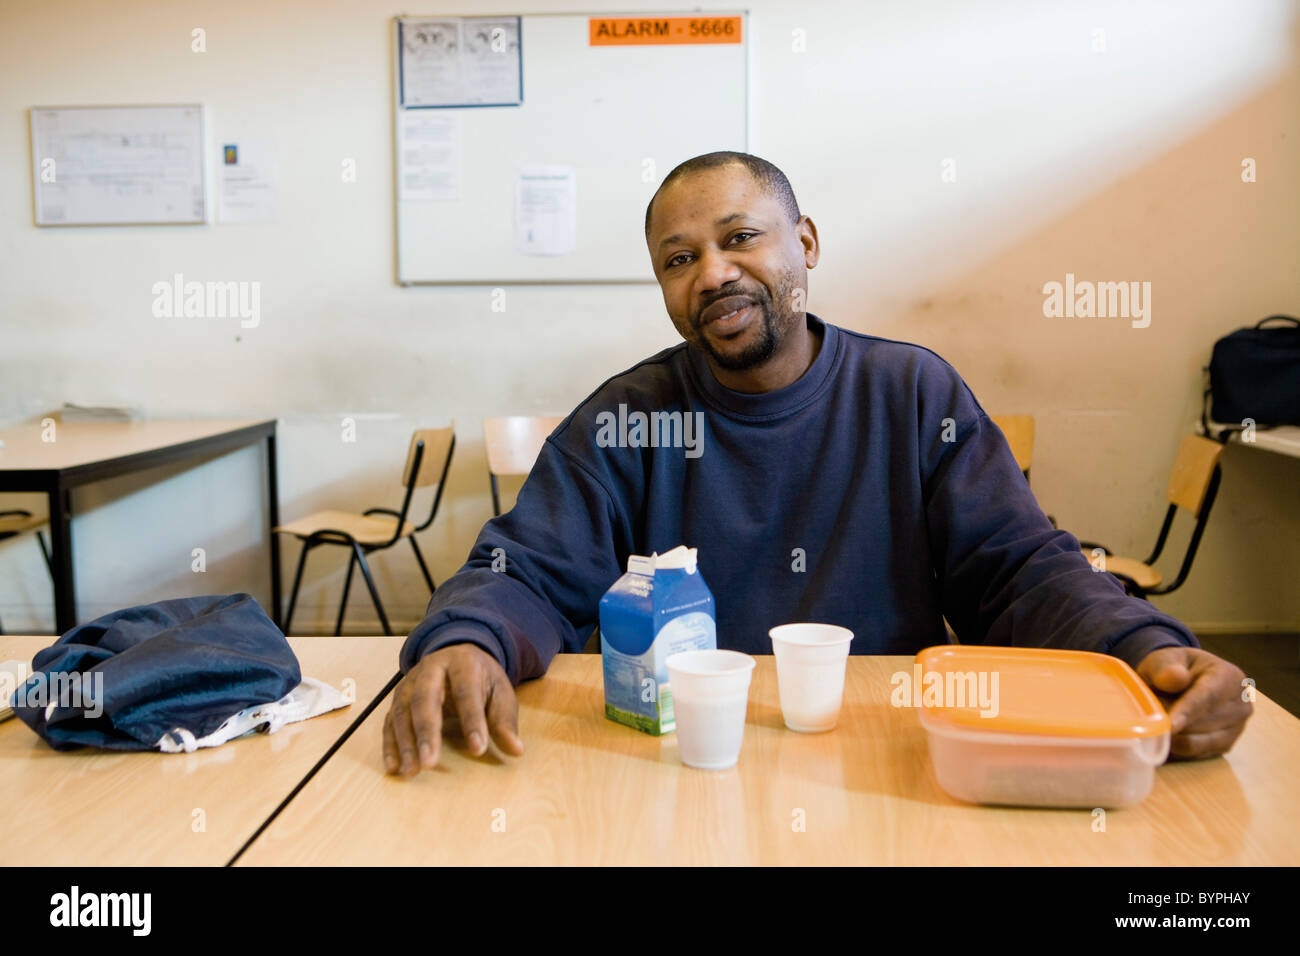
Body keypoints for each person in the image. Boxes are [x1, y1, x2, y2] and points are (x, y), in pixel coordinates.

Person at [382, 151, 1252, 775]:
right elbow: (528, 569)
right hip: (675, 760)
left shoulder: (912, 393)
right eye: (680, 260)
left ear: (805, 242)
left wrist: (1138, 647)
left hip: (882, 754)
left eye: (740, 237)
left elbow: (1019, 568)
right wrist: (469, 639)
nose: (713, 274)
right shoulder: (629, 418)